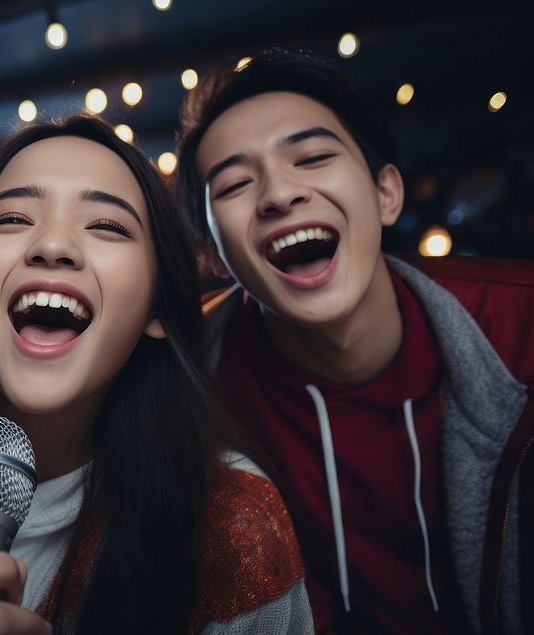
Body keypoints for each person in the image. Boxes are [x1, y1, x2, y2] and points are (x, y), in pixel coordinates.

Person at [0, 115, 313, 634]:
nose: (52, 245)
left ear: (157, 309)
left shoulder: (232, 526)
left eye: (107, 226)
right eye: (13, 219)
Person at [176, 49, 534, 634]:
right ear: (215, 254)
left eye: (313, 157)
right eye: (236, 183)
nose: (279, 194)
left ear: (386, 193)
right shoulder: (183, 386)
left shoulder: (522, 335)